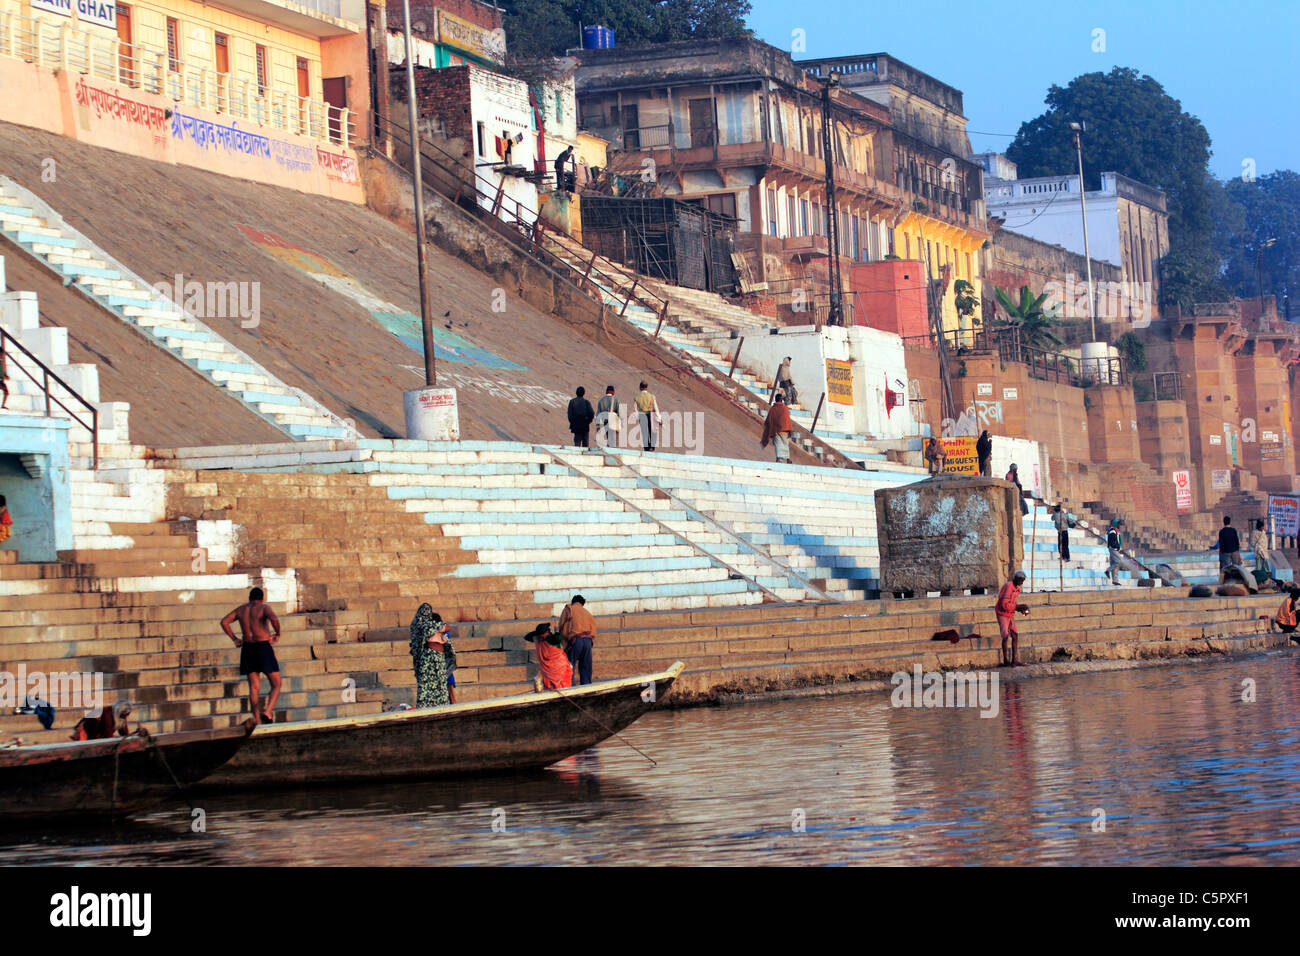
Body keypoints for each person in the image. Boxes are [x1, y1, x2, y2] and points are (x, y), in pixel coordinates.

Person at [220, 587, 282, 725]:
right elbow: (274, 619)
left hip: (248, 648)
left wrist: (235, 639)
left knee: (254, 687)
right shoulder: (264, 608)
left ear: (249, 598)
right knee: (277, 684)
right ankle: (267, 711)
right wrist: (277, 634)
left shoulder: (241, 609)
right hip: (262, 647)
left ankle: (257, 719)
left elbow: (224, 622)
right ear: (262, 598)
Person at [409, 603, 456, 708]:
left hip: (438, 657)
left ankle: (442, 704)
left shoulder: (430, 625)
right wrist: (438, 627)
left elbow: (447, 628)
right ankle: (425, 706)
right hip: (428, 658)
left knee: (440, 682)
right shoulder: (421, 625)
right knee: (427, 684)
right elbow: (444, 627)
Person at [558, 594, 597, 686]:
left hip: (575, 640)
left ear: (573, 601)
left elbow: (562, 626)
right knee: (586, 667)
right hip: (588, 641)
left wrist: (566, 639)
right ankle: (586, 687)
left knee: (570, 665)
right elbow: (593, 631)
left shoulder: (569, 609)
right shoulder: (588, 613)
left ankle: (570, 686)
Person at [995, 570, 1030, 666]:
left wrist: (1021, 609)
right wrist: (1017, 607)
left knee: (1015, 635)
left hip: (1010, 614)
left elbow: (1012, 603)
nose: (1021, 583)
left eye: (1023, 581)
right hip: (1002, 613)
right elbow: (1003, 604)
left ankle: (1014, 660)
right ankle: (1006, 661)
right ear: (1015, 578)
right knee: (1005, 636)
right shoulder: (1008, 586)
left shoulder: (1017, 588)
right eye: (1020, 581)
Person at [524, 621, 573, 690]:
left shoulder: (552, 639)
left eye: (542, 634)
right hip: (548, 670)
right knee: (550, 685)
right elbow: (527, 637)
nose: (541, 636)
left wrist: (557, 632)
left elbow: (558, 639)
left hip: (560, 667)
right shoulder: (540, 639)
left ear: (547, 632)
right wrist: (536, 633)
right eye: (540, 634)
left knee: (563, 685)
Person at [761, 393, 794, 464]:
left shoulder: (772, 409)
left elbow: (768, 420)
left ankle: (779, 458)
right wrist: (790, 430)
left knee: (778, 444)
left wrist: (769, 430)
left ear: (775, 400)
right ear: (781, 400)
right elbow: (787, 420)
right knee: (785, 444)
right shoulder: (785, 408)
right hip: (784, 429)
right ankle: (787, 459)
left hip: (775, 430)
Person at [634, 381, 661, 452]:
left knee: (644, 433)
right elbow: (656, 408)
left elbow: (635, 410)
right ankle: (652, 447)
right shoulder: (652, 397)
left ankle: (646, 448)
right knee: (652, 431)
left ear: (640, 387)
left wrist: (638, 417)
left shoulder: (637, 398)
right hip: (651, 415)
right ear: (647, 387)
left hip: (642, 416)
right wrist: (659, 418)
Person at [1106, 519, 1124, 586]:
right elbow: (1112, 540)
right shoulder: (1112, 530)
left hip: (1115, 549)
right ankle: (1108, 570)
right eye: (1119, 524)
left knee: (1115, 564)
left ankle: (1115, 581)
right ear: (1116, 524)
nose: (1120, 526)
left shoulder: (1116, 530)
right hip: (1113, 549)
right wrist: (1116, 546)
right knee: (1118, 561)